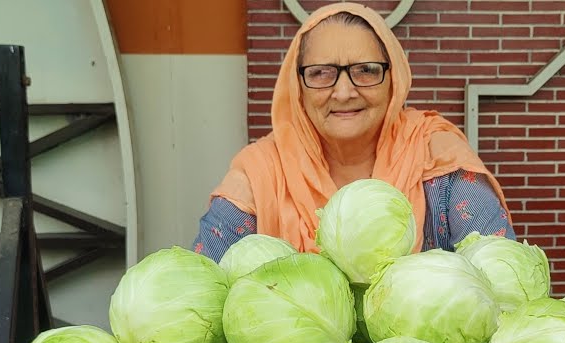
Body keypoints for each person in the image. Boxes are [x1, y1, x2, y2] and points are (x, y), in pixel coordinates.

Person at [193, 2, 515, 262]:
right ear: (298, 88)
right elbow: (203, 288)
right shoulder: (260, 172)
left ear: (394, 79)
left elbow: (498, 274)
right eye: (321, 73)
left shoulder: (436, 156)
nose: (344, 92)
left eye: (366, 71)